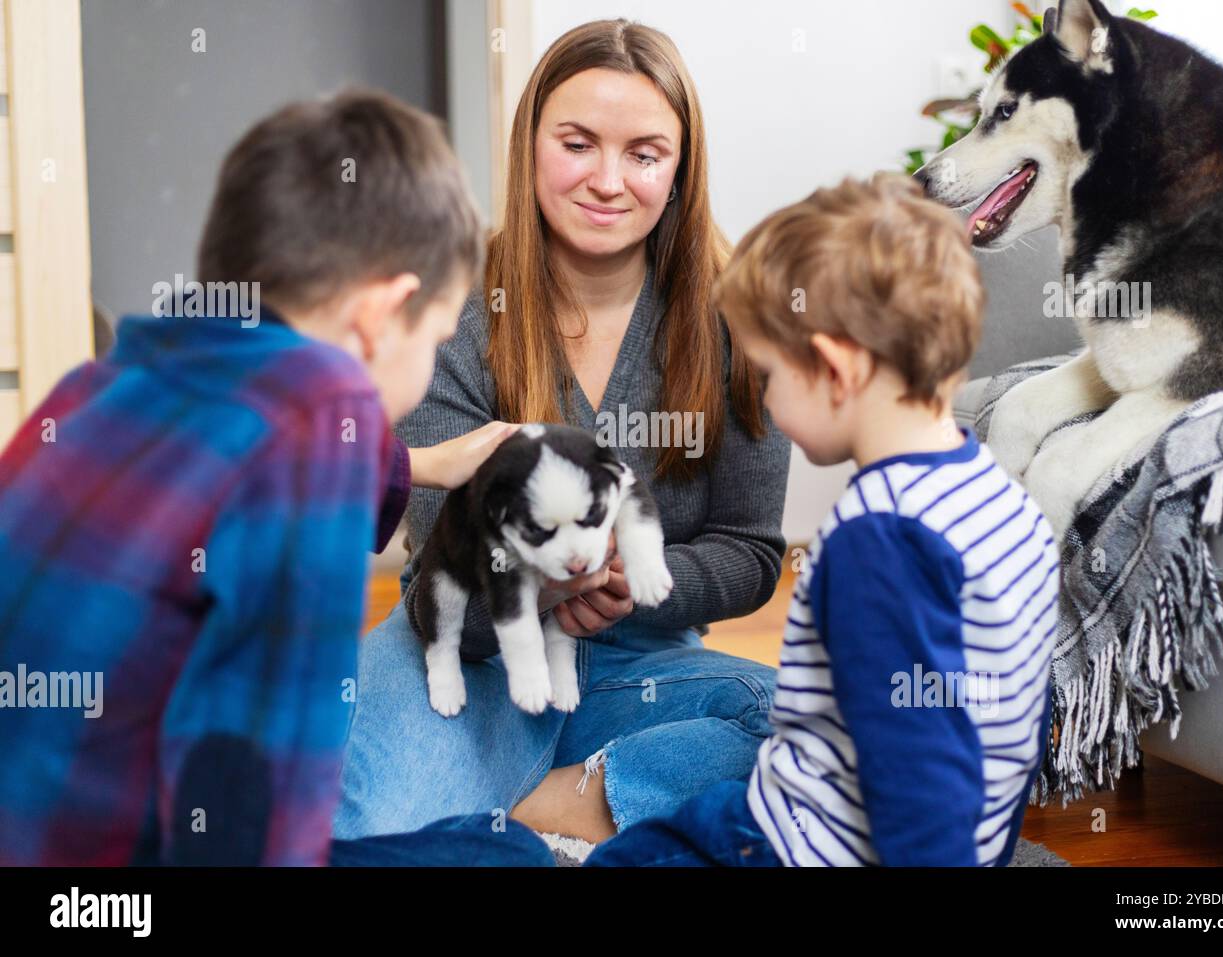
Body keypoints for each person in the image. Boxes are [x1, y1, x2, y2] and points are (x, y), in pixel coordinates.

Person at [0, 89, 520, 865]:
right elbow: (258, 807)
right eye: (438, 334)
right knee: (503, 856)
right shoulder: (320, 416)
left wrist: (425, 463)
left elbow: (221, 470)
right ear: (385, 313)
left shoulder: (106, 383)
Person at [333, 18, 792, 846]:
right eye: (577, 143)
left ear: (679, 166)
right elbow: (454, 598)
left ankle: (546, 806)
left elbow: (753, 552)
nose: (609, 182)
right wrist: (551, 579)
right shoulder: (455, 308)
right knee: (366, 839)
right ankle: (509, 803)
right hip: (474, 654)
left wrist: (635, 582)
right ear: (530, 143)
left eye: (645, 154)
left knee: (819, 739)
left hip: (641, 663)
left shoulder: (742, 318)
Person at [584, 174, 1059, 866]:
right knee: (687, 818)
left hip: (793, 847)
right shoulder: (1008, 504)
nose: (766, 403)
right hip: (871, 820)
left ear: (834, 371)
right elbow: (1016, 720)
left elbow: (919, 772)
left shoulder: (880, 541)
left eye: (769, 374)